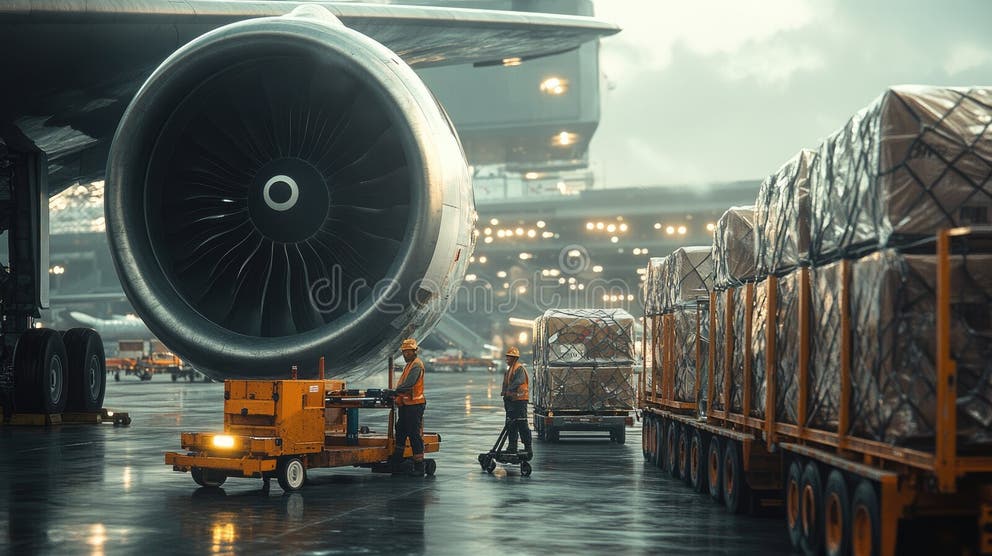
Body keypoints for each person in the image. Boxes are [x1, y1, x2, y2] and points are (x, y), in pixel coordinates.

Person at [392, 338, 427, 475]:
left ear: (415, 351)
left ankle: (419, 466)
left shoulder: (416, 365)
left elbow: (409, 384)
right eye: (404, 352)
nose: (406, 354)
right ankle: (397, 461)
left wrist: (395, 391)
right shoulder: (409, 365)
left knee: (413, 434)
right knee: (400, 430)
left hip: (415, 405)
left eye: (408, 352)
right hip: (406, 404)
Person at [501, 346, 532, 458]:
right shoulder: (509, 370)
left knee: (522, 423)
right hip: (512, 401)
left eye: (509, 357)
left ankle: (528, 447)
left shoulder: (519, 369)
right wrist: (505, 394)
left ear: (514, 358)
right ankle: (512, 446)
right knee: (511, 424)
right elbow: (506, 384)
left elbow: (519, 381)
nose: (507, 359)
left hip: (520, 401)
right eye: (507, 357)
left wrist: (509, 390)